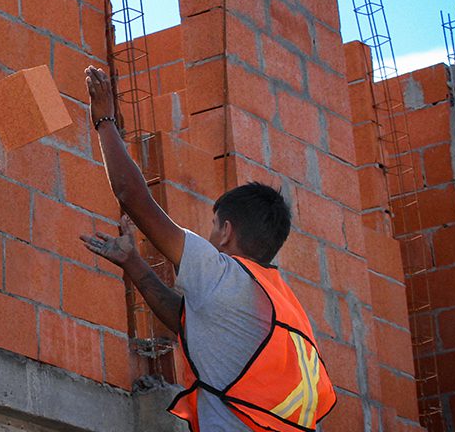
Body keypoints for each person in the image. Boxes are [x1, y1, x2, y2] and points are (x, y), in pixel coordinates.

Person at [80, 66, 335, 432]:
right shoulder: (278, 301)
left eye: (214, 225)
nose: (210, 234)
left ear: (226, 231)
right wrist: (133, 263)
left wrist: (104, 120)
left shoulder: (222, 273)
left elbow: (131, 196)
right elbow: (187, 321)